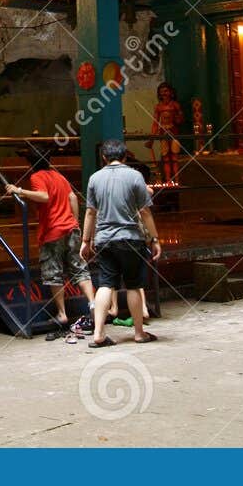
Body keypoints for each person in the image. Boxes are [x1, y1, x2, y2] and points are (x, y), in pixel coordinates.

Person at [6, 148, 95, 340]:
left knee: (53, 273)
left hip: (52, 232)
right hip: (71, 229)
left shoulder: (37, 177)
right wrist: (75, 223)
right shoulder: (58, 175)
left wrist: (19, 190)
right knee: (79, 268)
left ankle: (62, 314)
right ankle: (94, 305)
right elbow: (72, 198)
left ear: (30, 165)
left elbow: (44, 196)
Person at [80, 139, 162, 348]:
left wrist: (85, 241)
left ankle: (98, 333)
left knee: (106, 284)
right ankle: (139, 333)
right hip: (130, 238)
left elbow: (90, 212)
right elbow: (145, 211)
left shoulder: (94, 178)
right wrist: (154, 239)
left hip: (104, 240)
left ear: (104, 158)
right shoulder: (135, 176)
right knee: (134, 285)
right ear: (125, 157)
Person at [148, 83, 185, 183]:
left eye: (166, 91)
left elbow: (181, 120)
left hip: (174, 133)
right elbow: (155, 123)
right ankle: (168, 180)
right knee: (166, 158)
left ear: (171, 93)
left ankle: (177, 180)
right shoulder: (158, 107)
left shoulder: (175, 105)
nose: (164, 94)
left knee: (174, 157)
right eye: (161, 92)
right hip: (163, 133)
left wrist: (178, 117)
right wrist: (152, 138)